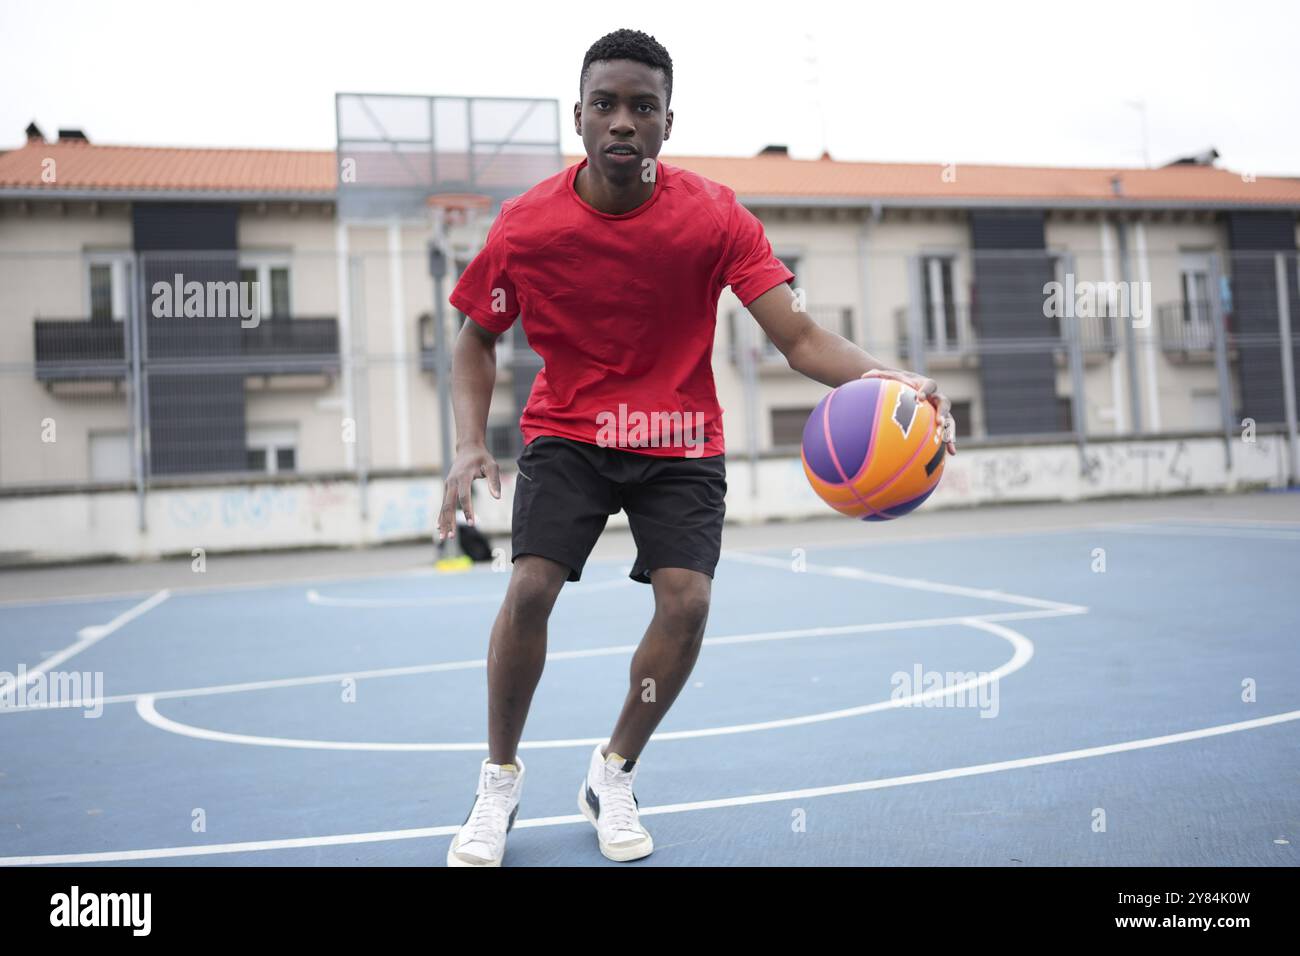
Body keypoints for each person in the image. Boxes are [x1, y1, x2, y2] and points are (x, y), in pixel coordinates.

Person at [439, 28, 956, 866]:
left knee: (687, 601)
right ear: (578, 116)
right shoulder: (526, 225)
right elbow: (475, 336)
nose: (622, 123)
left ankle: (614, 770)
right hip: (569, 430)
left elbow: (798, 336)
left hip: (678, 436)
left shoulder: (713, 216)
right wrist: (467, 443)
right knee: (530, 587)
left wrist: (895, 382)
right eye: (605, 104)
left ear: (668, 123)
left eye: (643, 107)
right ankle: (497, 780)